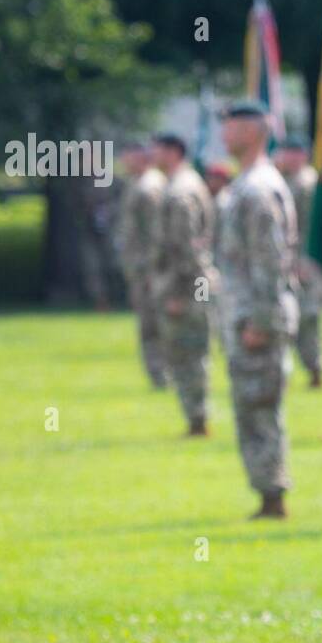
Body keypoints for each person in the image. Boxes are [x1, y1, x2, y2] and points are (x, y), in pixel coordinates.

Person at [213, 100, 299, 520]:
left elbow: (269, 259)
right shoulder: (245, 183)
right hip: (244, 314)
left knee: (259, 408)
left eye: (232, 124)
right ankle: (267, 492)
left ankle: (272, 495)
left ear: (254, 130)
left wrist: (262, 321)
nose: (224, 132)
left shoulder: (259, 187)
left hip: (256, 318)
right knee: (251, 408)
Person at [151, 133, 215, 436]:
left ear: (174, 151)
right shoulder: (186, 184)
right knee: (191, 350)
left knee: (188, 351)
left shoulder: (180, 192)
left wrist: (179, 292)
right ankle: (196, 417)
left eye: (158, 148)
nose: (153, 154)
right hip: (195, 283)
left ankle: (197, 418)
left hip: (187, 286)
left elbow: (185, 248)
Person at [273, 136, 322, 387]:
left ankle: (315, 366)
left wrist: (304, 260)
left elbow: (307, 227)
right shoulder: (287, 181)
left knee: (307, 317)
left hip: (304, 261)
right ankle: (310, 365)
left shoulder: (306, 183)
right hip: (292, 259)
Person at [115, 143, 168, 388]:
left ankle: (163, 375)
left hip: (149, 270)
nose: (125, 162)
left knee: (154, 323)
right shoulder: (137, 183)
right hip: (140, 268)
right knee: (149, 323)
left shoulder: (149, 187)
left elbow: (157, 234)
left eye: (129, 157)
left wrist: (152, 270)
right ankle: (159, 375)